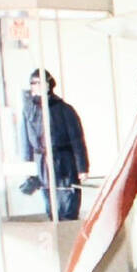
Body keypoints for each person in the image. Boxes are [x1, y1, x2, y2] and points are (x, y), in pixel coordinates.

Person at [20, 69, 88, 221]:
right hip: (42, 162)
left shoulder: (64, 110)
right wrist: (28, 167)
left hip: (64, 163)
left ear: (48, 84)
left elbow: (77, 140)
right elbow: (25, 141)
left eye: (39, 82)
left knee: (67, 201)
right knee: (50, 203)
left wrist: (82, 167)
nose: (35, 86)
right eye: (33, 83)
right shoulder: (29, 111)